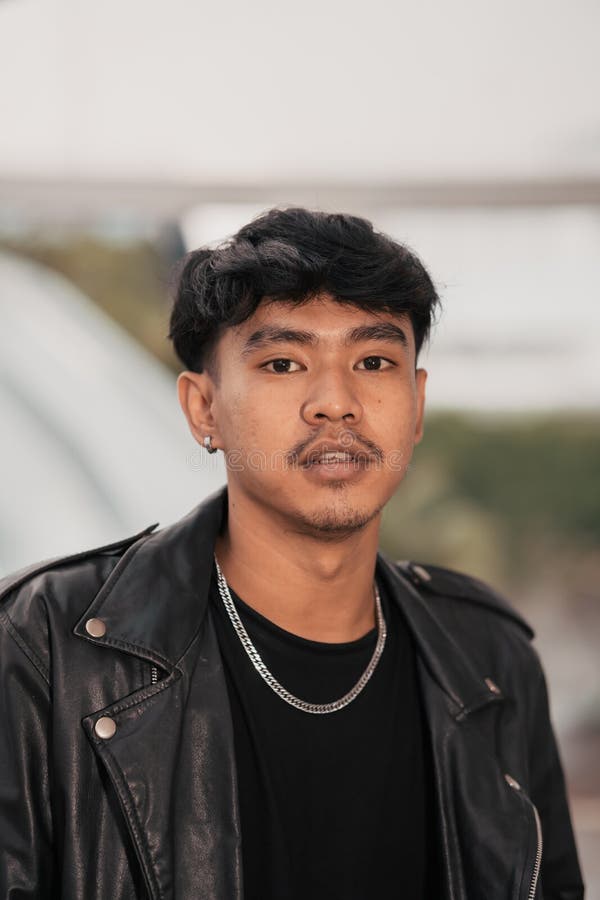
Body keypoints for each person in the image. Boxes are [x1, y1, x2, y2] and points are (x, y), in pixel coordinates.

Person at [0, 207, 584, 899]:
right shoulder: (49, 644)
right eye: (283, 362)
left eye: (374, 361)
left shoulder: (488, 657)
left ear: (417, 403)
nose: (335, 403)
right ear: (202, 410)